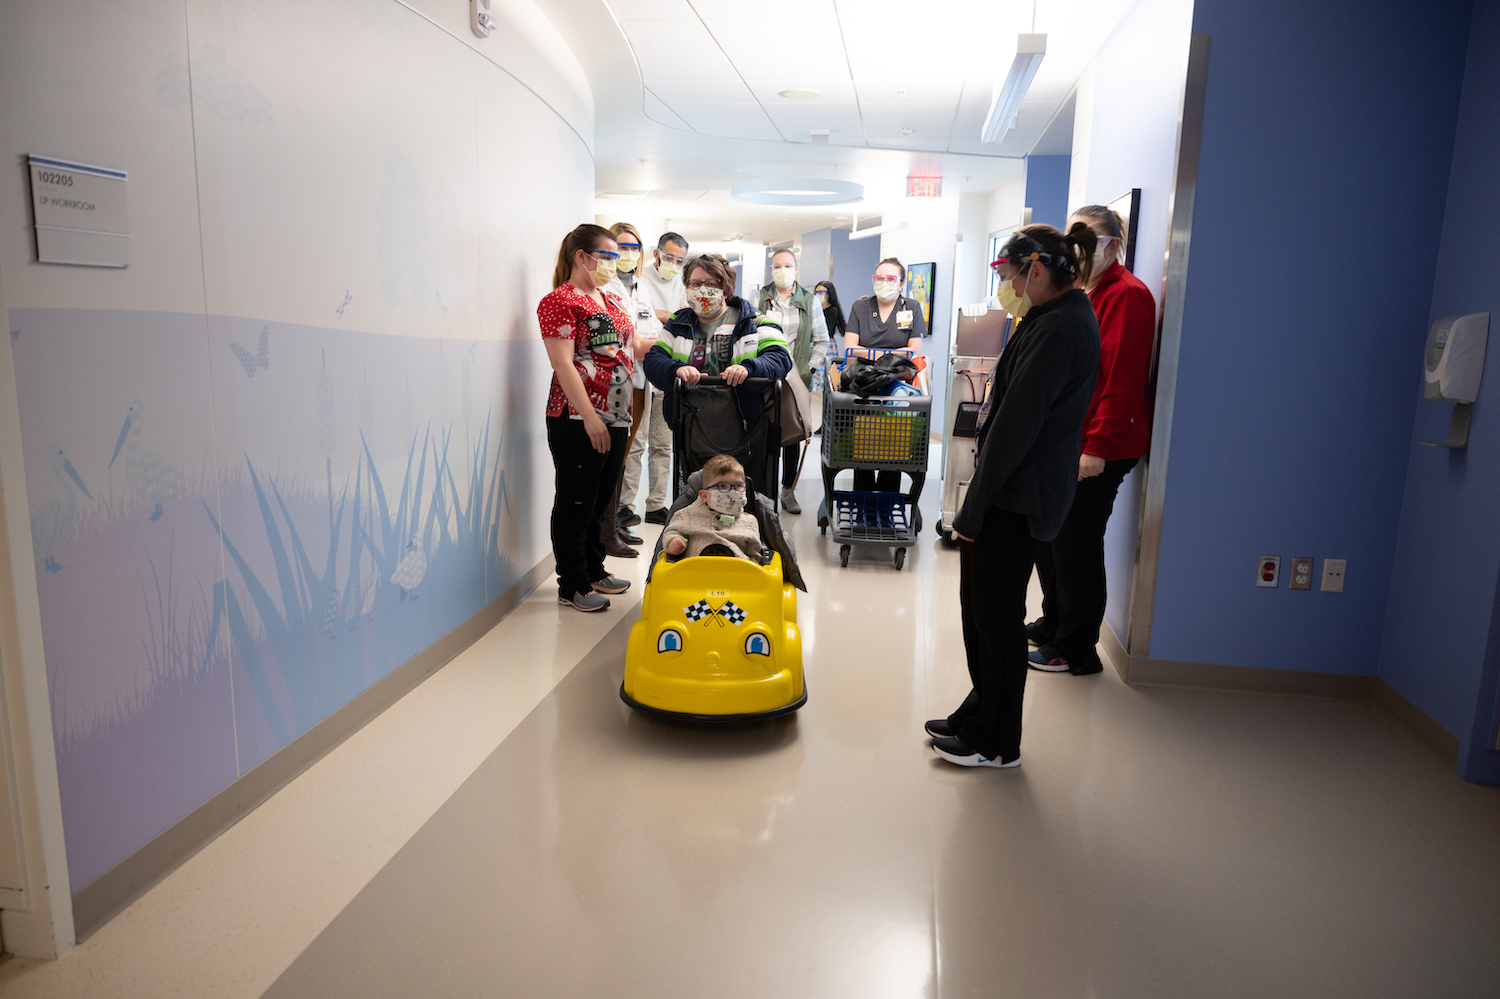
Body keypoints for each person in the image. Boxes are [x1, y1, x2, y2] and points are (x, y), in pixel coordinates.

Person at [927, 223, 1101, 768]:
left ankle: (996, 742)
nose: (1007, 286)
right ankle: (979, 712)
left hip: (1015, 500)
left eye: (1010, 275)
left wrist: (973, 509)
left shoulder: (1060, 329)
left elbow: (1015, 429)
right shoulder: (1049, 318)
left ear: (1038, 269)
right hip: (1012, 492)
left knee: (996, 621)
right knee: (980, 614)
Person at [1027, 206, 1157, 676]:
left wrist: (1096, 448)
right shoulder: (1083, 292)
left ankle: (1076, 649)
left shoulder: (1128, 296)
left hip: (1102, 446)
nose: (1078, 246)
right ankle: (1053, 624)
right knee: (1050, 537)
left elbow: (1122, 381)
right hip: (1069, 440)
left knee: (1077, 543)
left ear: (1114, 246)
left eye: (1089, 238)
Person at [536, 224, 650, 613]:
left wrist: (681, 342)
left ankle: (595, 568)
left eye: (616, 257)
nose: (613, 264)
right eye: (606, 256)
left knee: (601, 499)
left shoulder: (611, 301)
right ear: (580, 257)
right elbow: (563, 365)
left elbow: (635, 347)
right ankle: (572, 584)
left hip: (618, 415)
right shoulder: (560, 302)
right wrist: (589, 417)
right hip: (577, 417)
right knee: (576, 500)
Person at [642, 252, 793, 494]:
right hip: (693, 435)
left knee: (745, 503)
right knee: (697, 503)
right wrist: (676, 369)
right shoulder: (678, 323)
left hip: (746, 434)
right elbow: (653, 361)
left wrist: (747, 368)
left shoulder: (754, 321)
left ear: (725, 287)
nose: (702, 290)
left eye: (711, 284)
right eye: (695, 283)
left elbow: (780, 359)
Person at [597, 221, 663, 558]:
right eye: (621, 247)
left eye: (634, 248)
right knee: (615, 454)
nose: (628, 254)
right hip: (616, 381)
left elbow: (648, 326)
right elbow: (627, 338)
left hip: (640, 378)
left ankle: (615, 522)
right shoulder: (604, 287)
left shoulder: (640, 286)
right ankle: (607, 528)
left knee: (626, 451)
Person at [844, 257, 927, 492]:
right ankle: (863, 505)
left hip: (898, 384)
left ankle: (886, 506)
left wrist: (869, 352)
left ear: (901, 284)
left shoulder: (911, 307)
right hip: (865, 382)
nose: (885, 283)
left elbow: (914, 351)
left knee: (894, 444)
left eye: (891, 279)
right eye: (879, 278)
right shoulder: (860, 307)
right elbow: (849, 350)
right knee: (863, 444)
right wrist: (892, 354)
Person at [623, 232, 689, 527]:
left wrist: (666, 317)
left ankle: (656, 505)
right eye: (670, 257)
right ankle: (625, 504)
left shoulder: (685, 285)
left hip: (669, 370)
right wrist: (668, 316)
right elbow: (646, 320)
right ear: (656, 253)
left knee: (663, 444)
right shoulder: (640, 279)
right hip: (640, 370)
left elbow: (686, 319)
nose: (673, 264)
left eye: (680, 260)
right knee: (636, 440)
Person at [757, 248, 829, 514]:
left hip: (796, 377)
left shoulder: (810, 301)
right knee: (764, 431)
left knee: (793, 434)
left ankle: (788, 491)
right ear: (771, 269)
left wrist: (808, 368)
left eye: (787, 266)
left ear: (796, 269)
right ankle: (764, 491)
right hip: (765, 376)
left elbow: (822, 341)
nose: (782, 271)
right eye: (777, 266)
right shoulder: (760, 298)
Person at [661, 455, 764, 560]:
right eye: (722, 486)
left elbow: (755, 555)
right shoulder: (687, 515)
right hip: (693, 572)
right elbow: (672, 531)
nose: (732, 491)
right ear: (705, 496)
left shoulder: (750, 522)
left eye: (738, 486)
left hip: (736, 573)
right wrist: (674, 541)